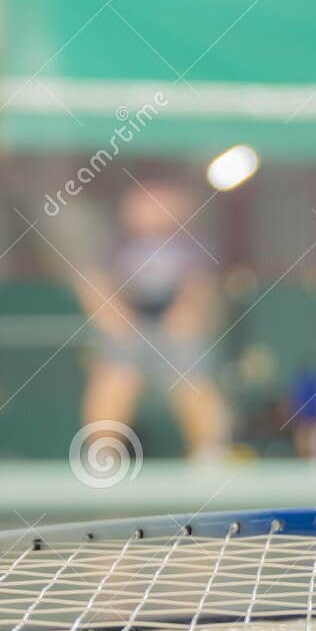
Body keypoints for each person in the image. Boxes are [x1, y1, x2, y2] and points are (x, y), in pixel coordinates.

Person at [74, 179, 230, 460]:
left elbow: (201, 286)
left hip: (177, 328)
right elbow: (93, 286)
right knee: (115, 375)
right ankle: (102, 452)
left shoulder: (194, 245)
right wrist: (116, 319)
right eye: (144, 201)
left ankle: (209, 450)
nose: (152, 209)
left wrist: (187, 313)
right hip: (127, 327)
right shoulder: (113, 245)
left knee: (193, 377)